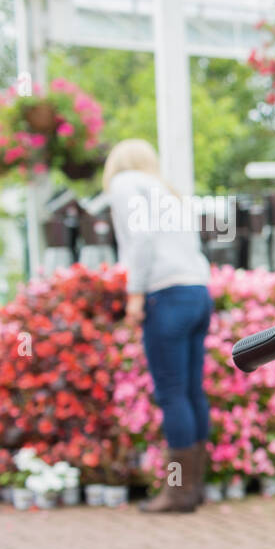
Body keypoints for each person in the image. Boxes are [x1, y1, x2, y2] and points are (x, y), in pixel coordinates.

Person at [104, 138, 212, 513]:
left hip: (165, 295)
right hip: (197, 291)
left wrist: (134, 293)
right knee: (192, 391)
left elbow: (141, 239)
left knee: (171, 392)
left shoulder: (124, 186)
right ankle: (194, 488)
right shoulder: (167, 191)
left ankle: (179, 492)